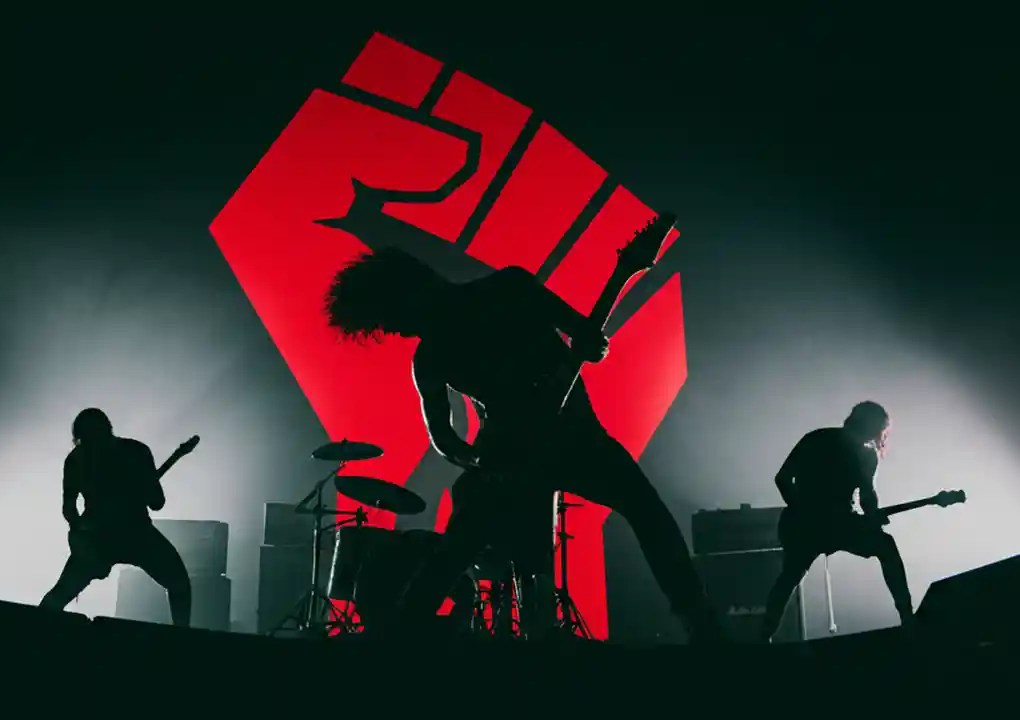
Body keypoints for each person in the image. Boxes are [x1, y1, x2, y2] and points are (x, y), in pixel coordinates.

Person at [323, 247, 722, 643]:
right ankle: (402, 641)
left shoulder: (510, 288)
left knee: (647, 511)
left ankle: (701, 624)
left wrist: (591, 344)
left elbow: (584, 337)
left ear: (417, 289)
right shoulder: (430, 356)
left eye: (399, 317)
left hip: (575, 440)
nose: (402, 331)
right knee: (454, 553)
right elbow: (442, 438)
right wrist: (481, 461)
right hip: (512, 453)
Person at [758, 401, 912, 642]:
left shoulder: (825, 441)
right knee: (791, 575)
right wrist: (806, 512)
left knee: (790, 576)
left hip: (832, 523)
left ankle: (763, 634)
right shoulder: (828, 443)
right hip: (813, 524)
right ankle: (908, 618)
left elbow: (866, 495)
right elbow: (783, 478)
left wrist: (873, 519)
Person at [39, 408, 192, 627]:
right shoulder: (137, 452)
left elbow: (69, 509)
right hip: (135, 535)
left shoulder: (76, 459)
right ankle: (183, 643)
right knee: (179, 585)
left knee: (59, 596)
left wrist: (81, 536)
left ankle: (32, 636)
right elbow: (157, 503)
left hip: (105, 537)